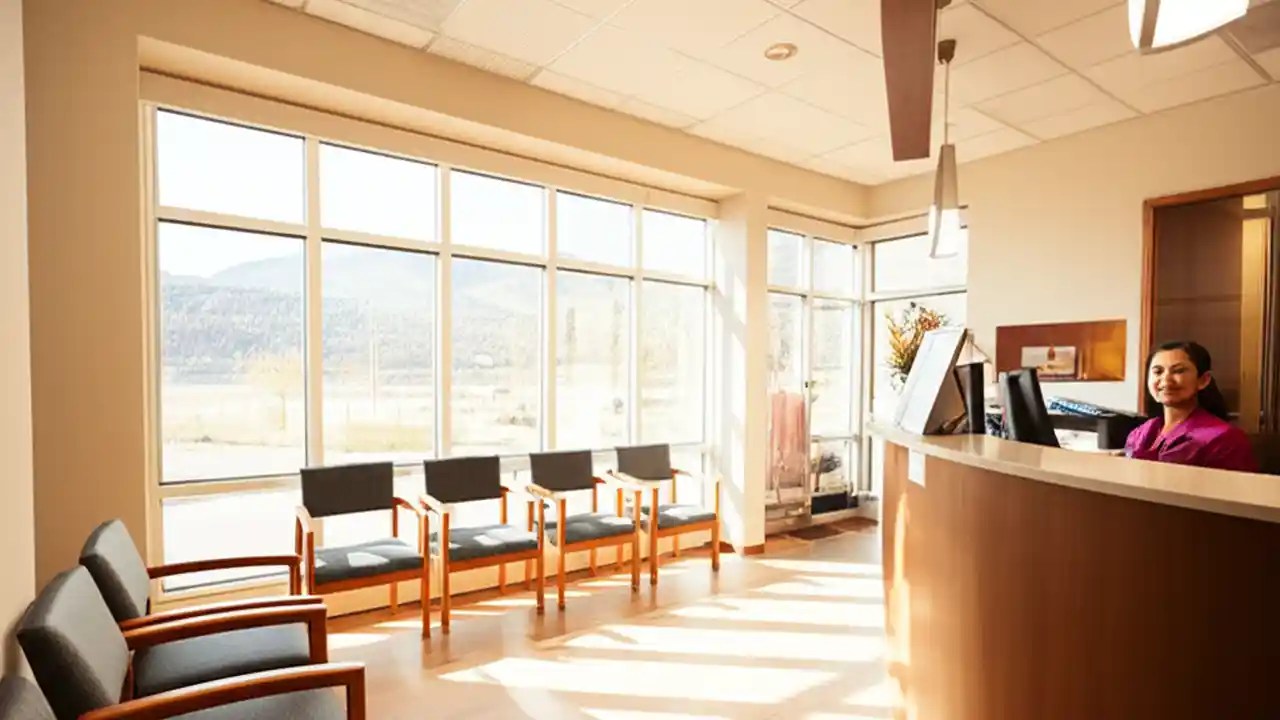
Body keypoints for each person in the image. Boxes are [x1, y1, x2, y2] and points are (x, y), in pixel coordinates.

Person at [1125, 340, 1257, 472]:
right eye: (1158, 372)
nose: (1166, 380)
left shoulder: (1225, 439)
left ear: (1203, 380)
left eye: (1178, 371)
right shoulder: (1139, 434)